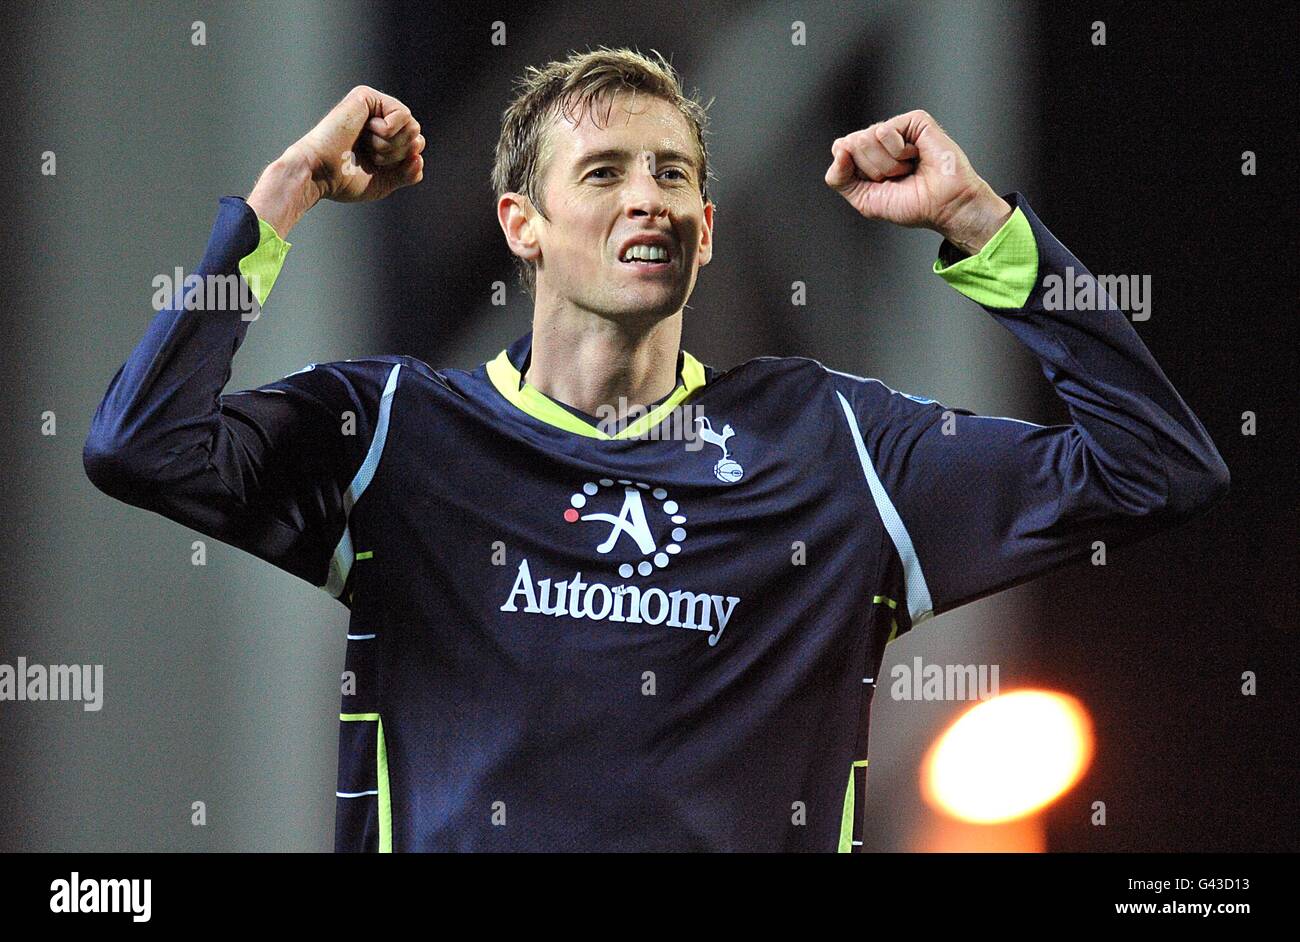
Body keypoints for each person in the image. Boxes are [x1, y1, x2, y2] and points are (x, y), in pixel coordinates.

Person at [84, 48, 1228, 852]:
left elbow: (1155, 466)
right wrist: (278, 202)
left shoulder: (832, 447)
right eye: (605, 173)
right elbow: (142, 445)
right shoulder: (392, 431)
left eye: (675, 174)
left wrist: (983, 225)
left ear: (711, 230)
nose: (652, 200)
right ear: (520, 226)